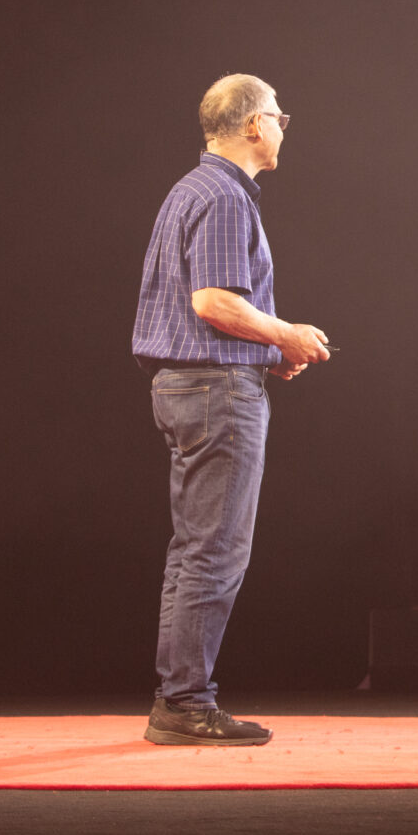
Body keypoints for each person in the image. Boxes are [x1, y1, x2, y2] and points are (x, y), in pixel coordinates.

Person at [132, 73, 329, 746]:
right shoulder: (224, 195)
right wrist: (286, 334)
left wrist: (264, 353)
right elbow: (212, 301)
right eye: (278, 113)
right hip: (216, 392)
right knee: (216, 549)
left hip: (188, 384)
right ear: (251, 124)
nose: (283, 124)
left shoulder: (192, 189)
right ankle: (186, 701)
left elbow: (197, 309)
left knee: (194, 548)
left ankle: (178, 696)